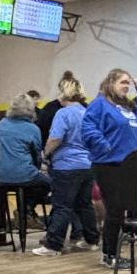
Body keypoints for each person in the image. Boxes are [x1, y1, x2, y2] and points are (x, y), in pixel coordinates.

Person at [83, 68, 137, 267]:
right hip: (109, 164)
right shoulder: (100, 104)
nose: (126, 86)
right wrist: (104, 146)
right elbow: (88, 128)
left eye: (128, 83)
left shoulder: (128, 107)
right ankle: (109, 255)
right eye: (122, 82)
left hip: (132, 166)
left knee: (133, 209)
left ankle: (124, 250)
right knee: (115, 210)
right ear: (111, 83)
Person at [32, 73, 99, 256]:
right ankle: (91, 240)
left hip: (66, 166)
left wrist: (45, 153)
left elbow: (55, 138)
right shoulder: (88, 113)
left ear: (63, 93)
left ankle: (53, 245)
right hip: (87, 165)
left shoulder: (63, 113)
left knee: (62, 205)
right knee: (84, 204)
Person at [0, 93, 50, 240]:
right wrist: (38, 168)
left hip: (3, 176)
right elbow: (37, 155)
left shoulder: (3, 123)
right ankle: (27, 208)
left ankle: (24, 211)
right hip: (26, 174)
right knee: (51, 184)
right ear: (31, 110)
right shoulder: (33, 128)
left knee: (31, 182)